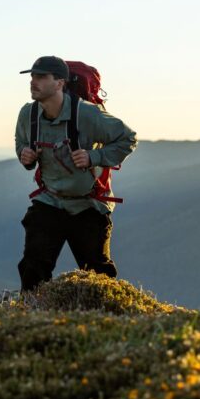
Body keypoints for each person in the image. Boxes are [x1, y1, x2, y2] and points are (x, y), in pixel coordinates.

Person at [14, 55, 137, 292]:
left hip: (88, 205)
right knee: (33, 267)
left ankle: (104, 320)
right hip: (49, 201)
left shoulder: (87, 115)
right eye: (32, 76)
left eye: (41, 77)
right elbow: (20, 141)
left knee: (97, 275)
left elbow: (128, 138)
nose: (33, 82)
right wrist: (25, 156)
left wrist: (94, 157)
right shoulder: (27, 114)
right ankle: (30, 319)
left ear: (60, 82)